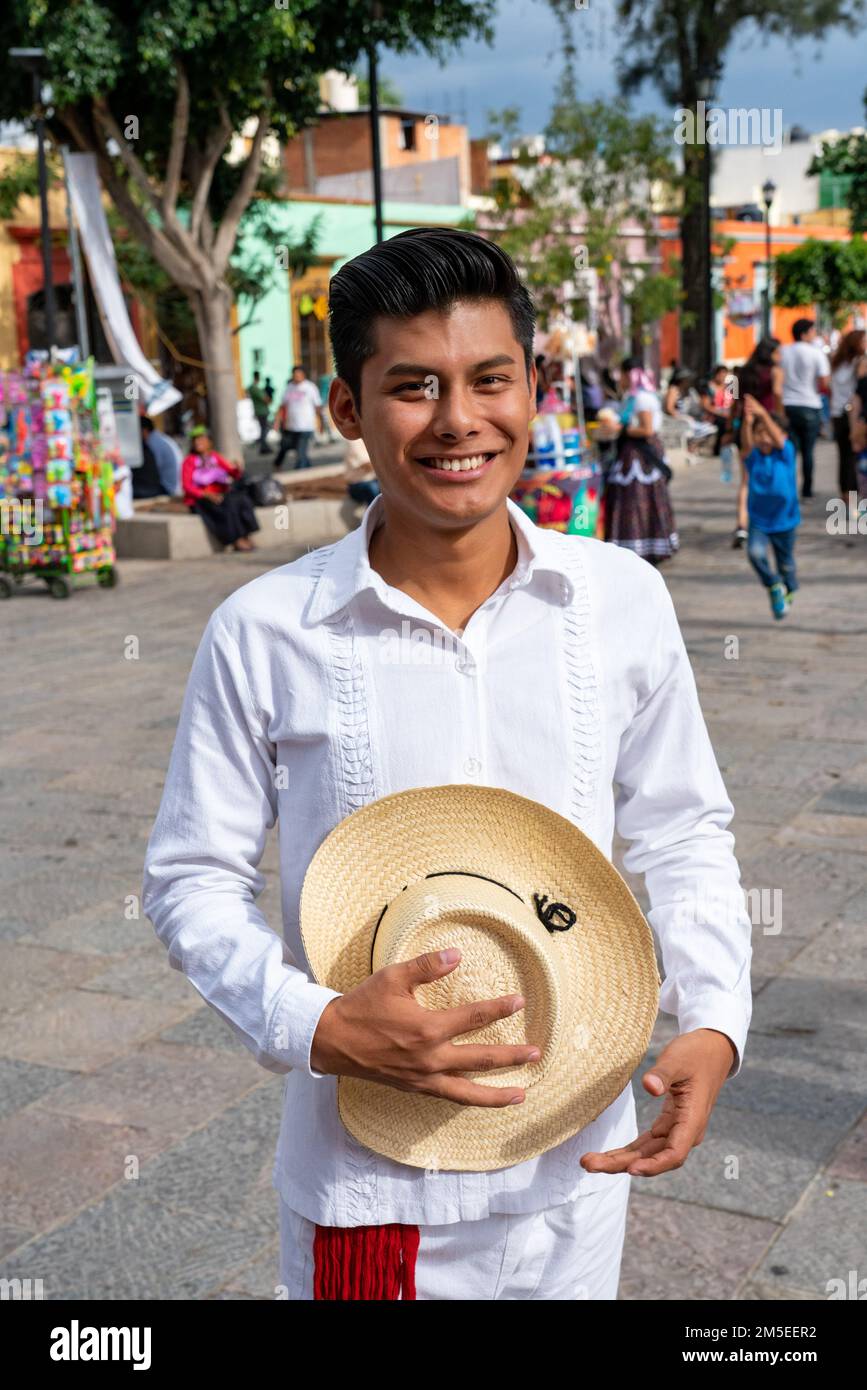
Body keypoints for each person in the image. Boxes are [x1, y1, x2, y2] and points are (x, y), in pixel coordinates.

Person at [142, 227, 751, 1302]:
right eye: (413, 386)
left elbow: (683, 826)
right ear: (347, 411)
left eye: (489, 379)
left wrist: (714, 1018)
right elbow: (190, 875)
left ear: (536, 388)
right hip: (373, 1193)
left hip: (578, 1166)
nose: (459, 420)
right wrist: (317, 1022)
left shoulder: (619, 600)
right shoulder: (266, 629)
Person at [604, 357, 679, 564]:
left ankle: (645, 544)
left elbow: (647, 429)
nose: (620, 379)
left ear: (630, 375)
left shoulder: (642, 399)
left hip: (641, 454)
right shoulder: (631, 397)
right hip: (631, 451)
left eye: (622, 374)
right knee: (634, 499)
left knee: (640, 499)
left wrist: (621, 429)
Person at [736, 394, 800, 620]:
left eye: (769, 434)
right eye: (759, 434)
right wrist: (748, 422)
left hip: (785, 519)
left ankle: (789, 589)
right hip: (760, 520)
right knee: (755, 554)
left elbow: (778, 439)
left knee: (787, 565)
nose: (764, 438)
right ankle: (773, 585)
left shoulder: (785, 453)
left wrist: (763, 413)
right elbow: (745, 443)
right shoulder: (753, 457)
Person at [180, 427, 259, 552]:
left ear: (209, 442)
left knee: (242, 500)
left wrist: (237, 469)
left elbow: (232, 473)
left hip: (218, 494)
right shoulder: (189, 461)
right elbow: (187, 486)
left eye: (201, 439)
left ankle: (245, 534)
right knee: (226, 506)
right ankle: (235, 539)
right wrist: (206, 495)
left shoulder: (214, 457)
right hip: (200, 499)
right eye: (195, 440)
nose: (197, 442)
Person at [781, 318, 830, 499]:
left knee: (790, 450)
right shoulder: (816, 353)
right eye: (812, 331)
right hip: (810, 404)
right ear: (803, 334)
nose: (814, 334)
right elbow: (824, 381)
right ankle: (807, 490)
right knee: (808, 451)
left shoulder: (783, 352)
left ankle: (789, 487)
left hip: (788, 404)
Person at [829, 329, 867, 500]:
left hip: (837, 412)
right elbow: (859, 392)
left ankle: (845, 495)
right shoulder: (860, 363)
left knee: (844, 458)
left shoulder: (837, 362)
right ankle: (855, 496)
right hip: (853, 414)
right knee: (855, 457)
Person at [274, 365, 324, 470]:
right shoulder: (289, 388)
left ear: (303, 375)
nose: (296, 376)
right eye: (294, 374)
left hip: (306, 426)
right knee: (286, 446)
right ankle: (307, 466)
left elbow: (318, 406)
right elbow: (282, 406)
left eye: (299, 374)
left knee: (301, 451)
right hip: (291, 426)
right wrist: (277, 422)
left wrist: (321, 422)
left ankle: (300, 469)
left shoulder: (310, 387)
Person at [139, 418, 181, 496]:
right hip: (168, 484)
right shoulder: (157, 438)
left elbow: (154, 469)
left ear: (144, 430)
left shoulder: (153, 442)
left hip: (166, 487)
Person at [248, 370, 273, 455]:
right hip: (261, 411)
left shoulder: (253, 388)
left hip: (260, 411)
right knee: (265, 429)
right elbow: (265, 399)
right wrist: (269, 398)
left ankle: (263, 445)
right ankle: (263, 446)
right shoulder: (255, 388)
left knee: (264, 428)